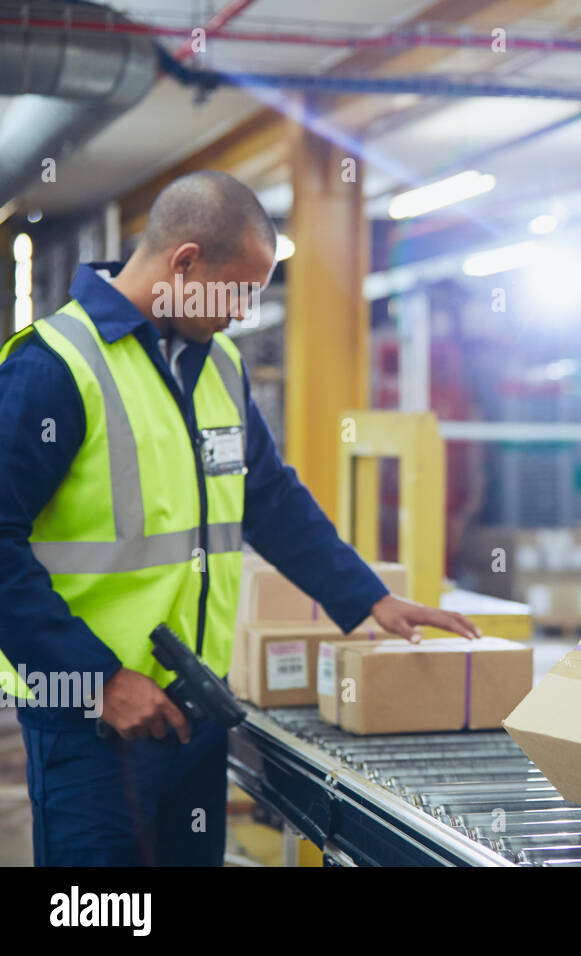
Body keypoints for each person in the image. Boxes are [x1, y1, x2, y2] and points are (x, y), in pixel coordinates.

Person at [0, 170, 481, 866]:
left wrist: (368, 595)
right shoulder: (54, 366)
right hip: (94, 723)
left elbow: (270, 498)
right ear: (185, 262)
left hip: (194, 709)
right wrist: (97, 680)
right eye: (241, 292)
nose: (245, 314)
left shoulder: (218, 364)